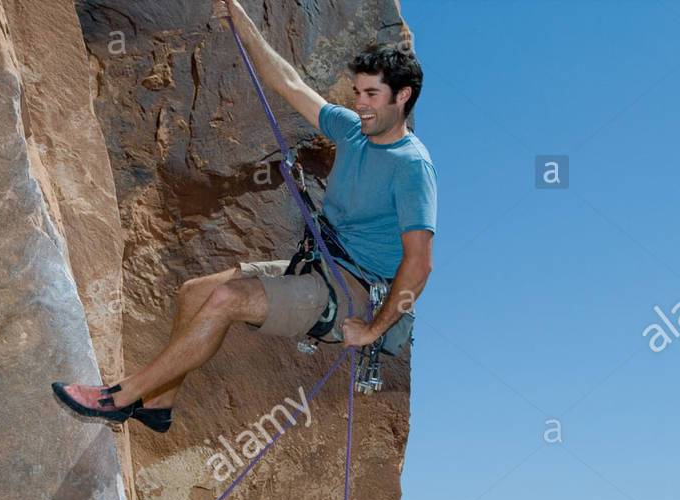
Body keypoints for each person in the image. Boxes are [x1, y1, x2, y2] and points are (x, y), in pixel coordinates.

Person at [53, 0, 436, 433]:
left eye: (372, 95)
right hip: (321, 266)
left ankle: (118, 397)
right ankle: (159, 402)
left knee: (226, 300)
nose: (361, 104)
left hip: (356, 292)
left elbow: (419, 263)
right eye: (358, 93)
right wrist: (241, 21)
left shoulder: (411, 166)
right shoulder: (351, 130)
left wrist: (371, 329)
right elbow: (288, 83)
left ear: (402, 97)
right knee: (195, 293)